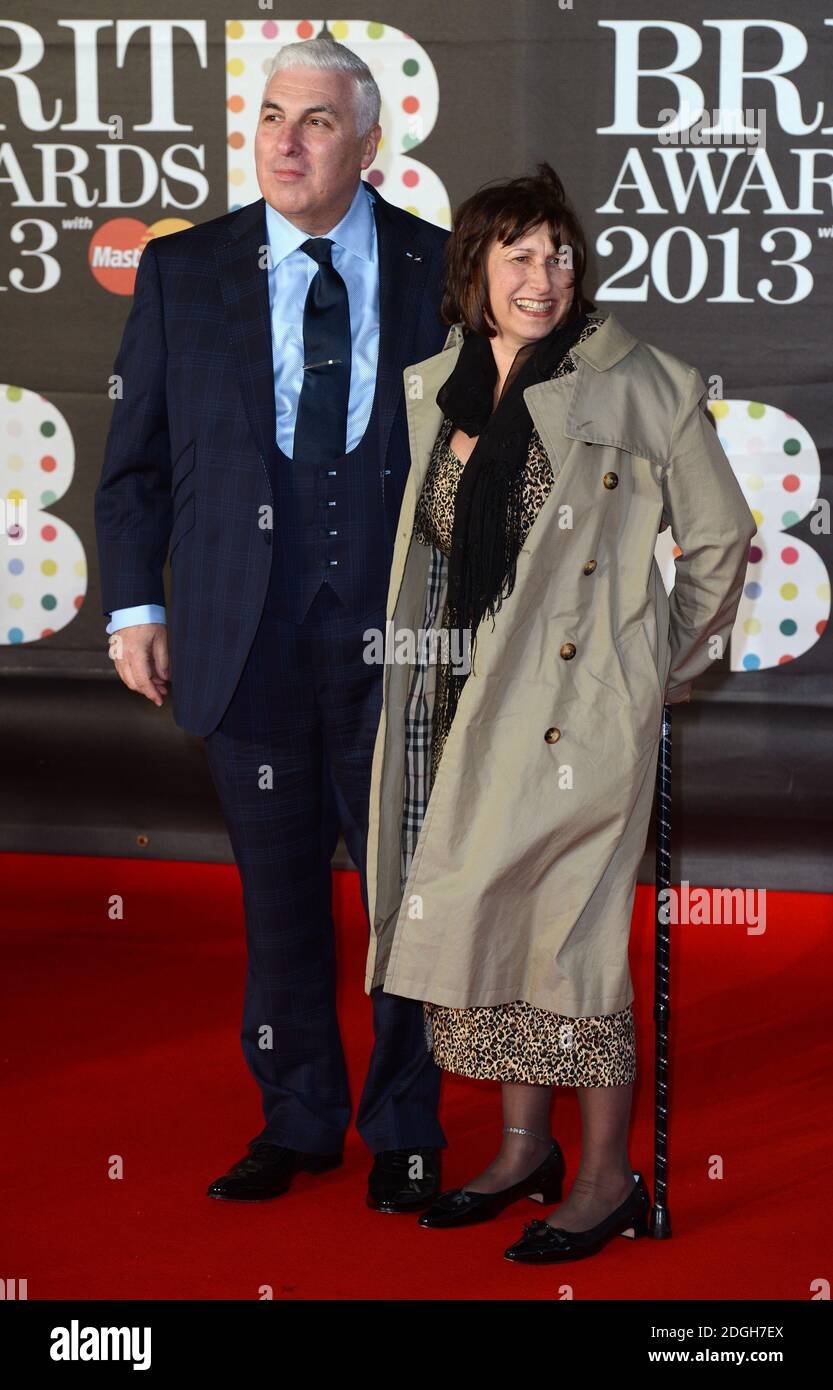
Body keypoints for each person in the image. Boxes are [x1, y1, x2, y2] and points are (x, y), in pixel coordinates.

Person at [364, 162, 757, 1262]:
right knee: (493, 921)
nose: (544, 277)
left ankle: (604, 1177)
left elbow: (719, 539)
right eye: (519, 256)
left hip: (579, 712)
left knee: (572, 941)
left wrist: (656, 662)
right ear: (473, 271)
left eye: (560, 256)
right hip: (462, 700)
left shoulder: (639, 379)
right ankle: (519, 1147)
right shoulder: (438, 382)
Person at [94, 31, 451, 1212]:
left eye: (314, 122)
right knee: (278, 894)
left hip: (397, 645)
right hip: (238, 635)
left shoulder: (439, 269)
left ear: (368, 143)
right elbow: (135, 460)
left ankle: (404, 1123)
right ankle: (296, 1116)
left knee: (408, 898)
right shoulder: (185, 270)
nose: (285, 143)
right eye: (269, 119)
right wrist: (137, 605)